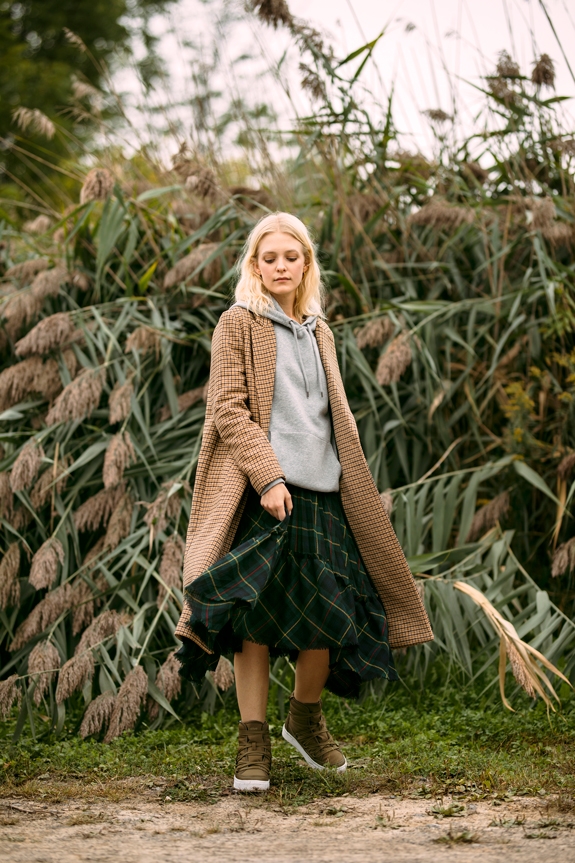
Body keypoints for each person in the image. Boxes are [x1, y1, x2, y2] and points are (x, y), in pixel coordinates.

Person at [175, 212, 433, 792]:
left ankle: (304, 718)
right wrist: (267, 478)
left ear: (306, 263)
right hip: (263, 493)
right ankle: (253, 741)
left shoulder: (320, 330)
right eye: (269, 258)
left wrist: (346, 483)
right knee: (255, 620)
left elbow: (329, 417)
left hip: (323, 491)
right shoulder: (236, 323)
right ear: (255, 265)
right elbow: (227, 409)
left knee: (331, 612)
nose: (281, 266)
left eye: (291, 257)